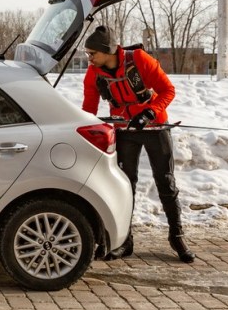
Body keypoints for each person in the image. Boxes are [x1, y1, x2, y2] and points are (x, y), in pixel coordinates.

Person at [81, 25, 195, 263]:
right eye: (87, 54)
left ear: (108, 51)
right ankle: (125, 242)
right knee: (125, 185)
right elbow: (89, 106)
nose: (89, 58)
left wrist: (150, 113)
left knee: (165, 182)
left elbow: (168, 90)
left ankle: (177, 236)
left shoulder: (140, 60)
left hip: (154, 127)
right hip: (125, 130)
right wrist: (85, 130)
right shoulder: (94, 72)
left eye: (92, 53)